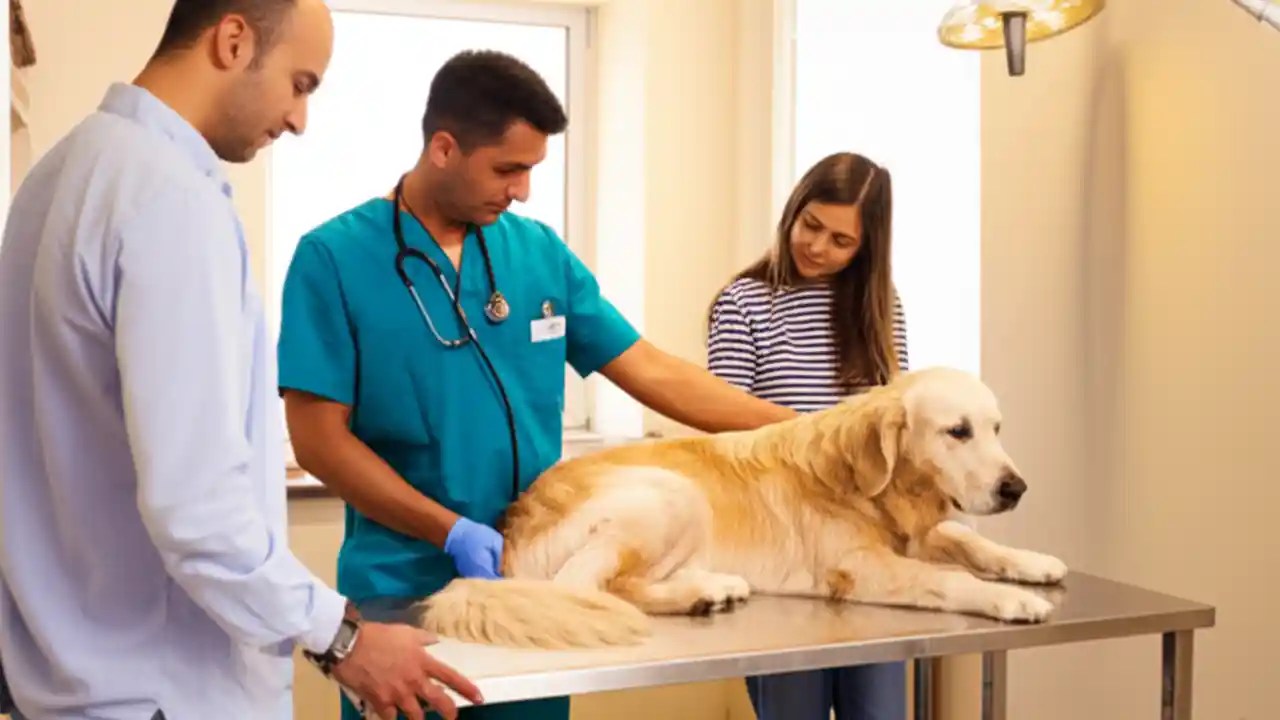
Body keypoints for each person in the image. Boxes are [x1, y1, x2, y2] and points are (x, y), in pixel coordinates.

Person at [276, 49, 797, 720]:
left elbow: (651, 370)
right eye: (507, 169)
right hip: (404, 600)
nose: (520, 190)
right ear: (443, 147)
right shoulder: (334, 259)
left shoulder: (537, 253)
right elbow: (317, 442)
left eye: (530, 170)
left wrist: (796, 431)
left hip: (540, 591)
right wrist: (449, 530)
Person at [0, 3, 482, 720]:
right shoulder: (169, 200)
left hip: (67, 679)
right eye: (300, 83)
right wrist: (341, 637)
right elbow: (197, 509)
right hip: (161, 691)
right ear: (232, 40)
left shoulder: (58, 175)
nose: (299, 119)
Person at [705, 151, 910, 720]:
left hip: (866, 546)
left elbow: (894, 429)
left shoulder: (881, 309)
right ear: (793, 211)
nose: (817, 247)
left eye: (841, 241)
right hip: (778, 545)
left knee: (879, 711)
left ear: (866, 248)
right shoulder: (743, 303)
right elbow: (726, 438)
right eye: (811, 225)